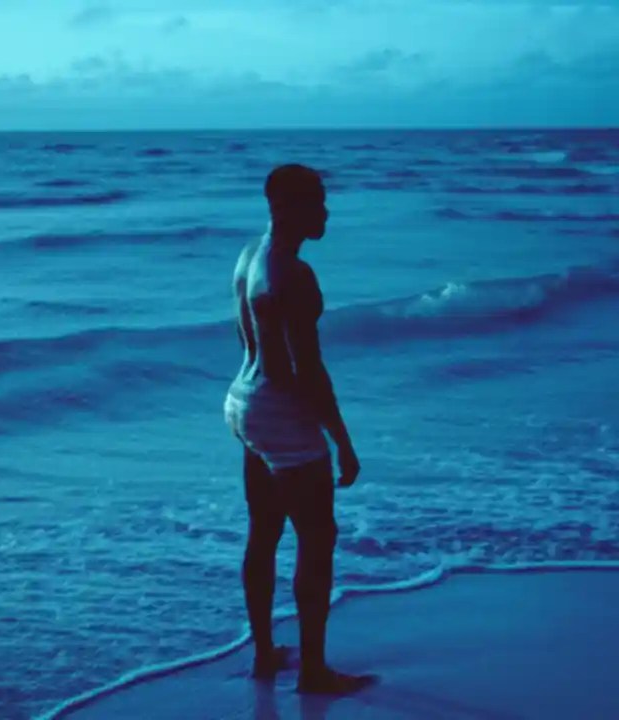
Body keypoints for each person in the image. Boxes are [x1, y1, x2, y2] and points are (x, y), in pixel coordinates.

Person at [223, 164, 375, 695]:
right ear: (286, 208)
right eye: (317, 201)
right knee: (317, 537)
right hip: (280, 412)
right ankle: (313, 671)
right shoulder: (293, 275)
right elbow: (305, 370)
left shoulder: (248, 258)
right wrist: (342, 441)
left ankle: (265, 655)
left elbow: (246, 336)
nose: (326, 211)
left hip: (242, 400)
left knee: (264, 532)